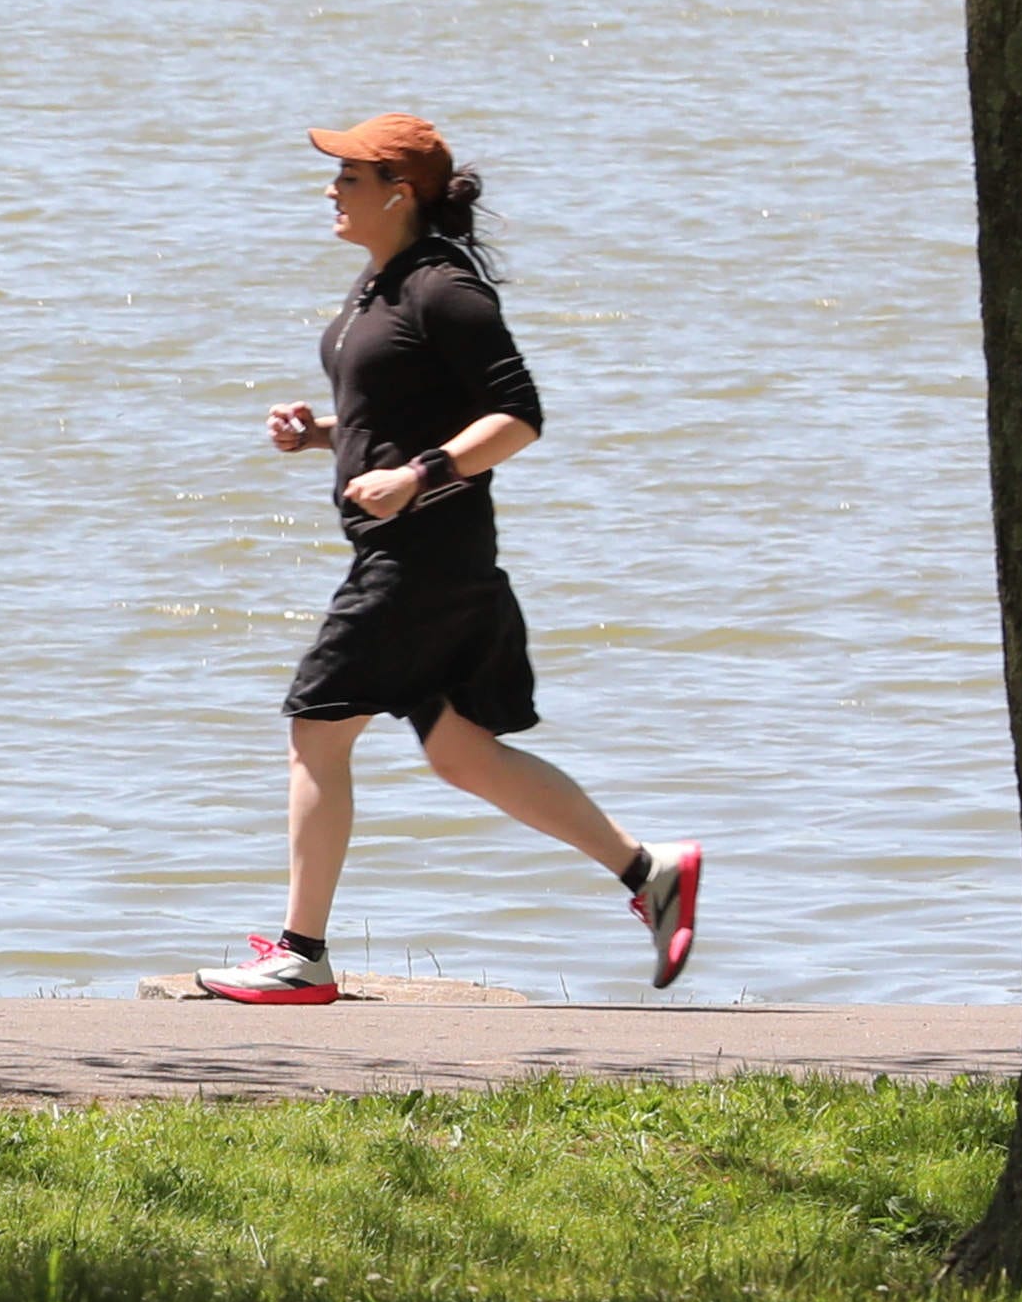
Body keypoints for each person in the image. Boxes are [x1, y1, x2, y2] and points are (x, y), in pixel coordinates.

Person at [199, 116, 708, 1004]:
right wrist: (322, 435)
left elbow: (518, 414)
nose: (331, 189)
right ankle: (647, 868)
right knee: (462, 752)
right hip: (427, 552)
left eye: (349, 176)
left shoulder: (443, 288)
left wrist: (419, 473)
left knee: (317, 725)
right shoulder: (379, 285)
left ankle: (300, 955)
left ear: (399, 193)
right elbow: (401, 413)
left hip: (421, 556)